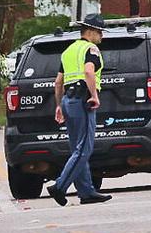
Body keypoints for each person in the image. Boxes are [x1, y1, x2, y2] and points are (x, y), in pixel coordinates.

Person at [47, 14, 111, 206]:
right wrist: (94, 95)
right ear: (91, 31)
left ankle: (86, 191)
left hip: (68, 100)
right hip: (83, 100)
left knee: (78, 148)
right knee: (84, 148)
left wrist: (59, 105)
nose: (102, 37)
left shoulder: (69, 51)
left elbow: (58, 82)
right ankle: (60, 186)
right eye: (100, 32)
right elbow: (89, 71)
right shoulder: (91, 49)